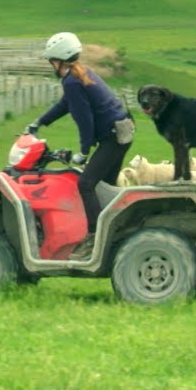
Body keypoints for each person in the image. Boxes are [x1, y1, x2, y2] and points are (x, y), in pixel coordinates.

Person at [26, 32, 134, 259]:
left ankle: (94, 238)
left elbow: (85, 120)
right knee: (105, 186)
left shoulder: (73, 81)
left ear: (59, 61)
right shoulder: (79, 74)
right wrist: (40, 121)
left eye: (51, 61)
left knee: (86, 184)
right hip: (121, 132)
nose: (51, 65)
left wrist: (83, 152)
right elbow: (65, 104)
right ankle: (116, 234)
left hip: (113, 137)